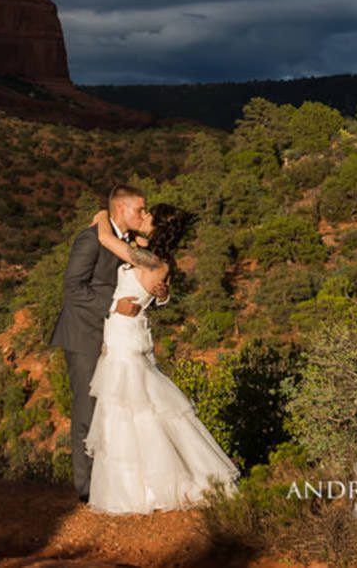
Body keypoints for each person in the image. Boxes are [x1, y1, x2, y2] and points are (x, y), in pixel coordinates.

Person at [83, 202, 239, 514]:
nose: (144, 217)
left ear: (158, 228)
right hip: (126, 333)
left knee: (128, 410)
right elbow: (156, 290)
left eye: (149, 215)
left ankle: (139, 491)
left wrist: (103, 215)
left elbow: (104, 238)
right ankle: (146, 485)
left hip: (126, 338)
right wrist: (161, 295)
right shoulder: (158, 260)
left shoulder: (149, 260)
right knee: (140, 407)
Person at [48, 184, 169, 504]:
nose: (143, 214)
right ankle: (86, 488)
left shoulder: (127, 243)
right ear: (120, 209)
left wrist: (158, 294)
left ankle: (115, 481)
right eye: (139, 209)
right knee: (87, 407)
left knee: (118, 409)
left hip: (119, 338)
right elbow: (73, 289)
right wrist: (114, 305)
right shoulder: (90, 239)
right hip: (85, 334)